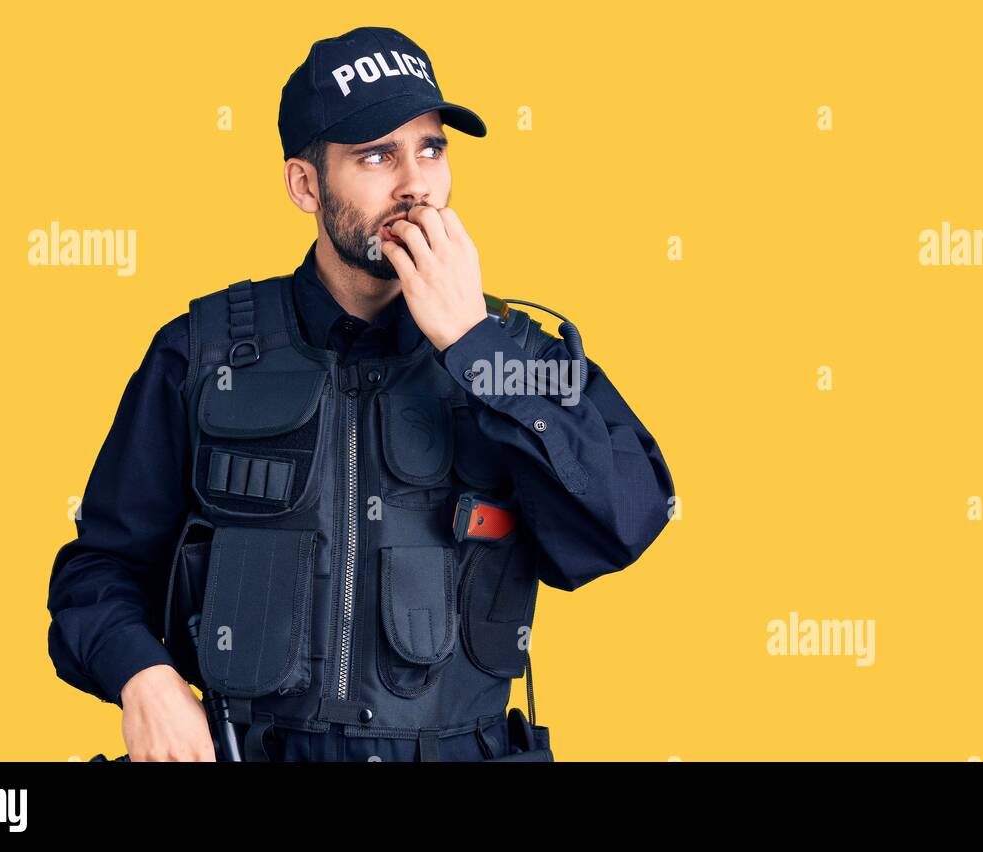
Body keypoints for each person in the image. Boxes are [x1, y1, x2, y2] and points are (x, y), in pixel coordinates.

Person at [47, 26, 674, 762]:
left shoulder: (514, 350)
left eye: (431, 148)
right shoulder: (200, 353)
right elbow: (97, 571)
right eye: (377, 155)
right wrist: (142, 675)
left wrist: (475, 348)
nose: (415, 182)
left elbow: (626, 520)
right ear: (306, 185)